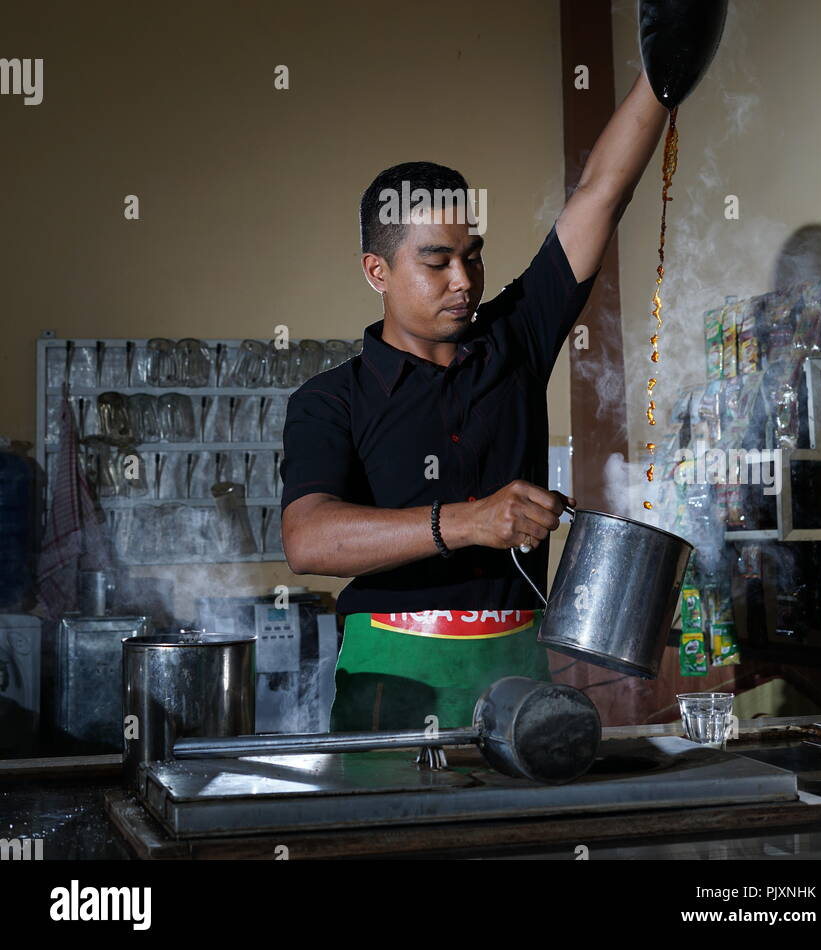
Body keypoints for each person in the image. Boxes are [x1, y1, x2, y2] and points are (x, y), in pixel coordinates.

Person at [280, 71, 669, 732]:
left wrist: (663, 77)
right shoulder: (329, 400)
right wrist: (466, 521)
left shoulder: (515, 339)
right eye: (437, 262)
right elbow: (307, 539)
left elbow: (603, 192)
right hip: (389, 676)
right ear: (378, 270)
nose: (464, 282)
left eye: (473, 256)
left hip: (519, 672)